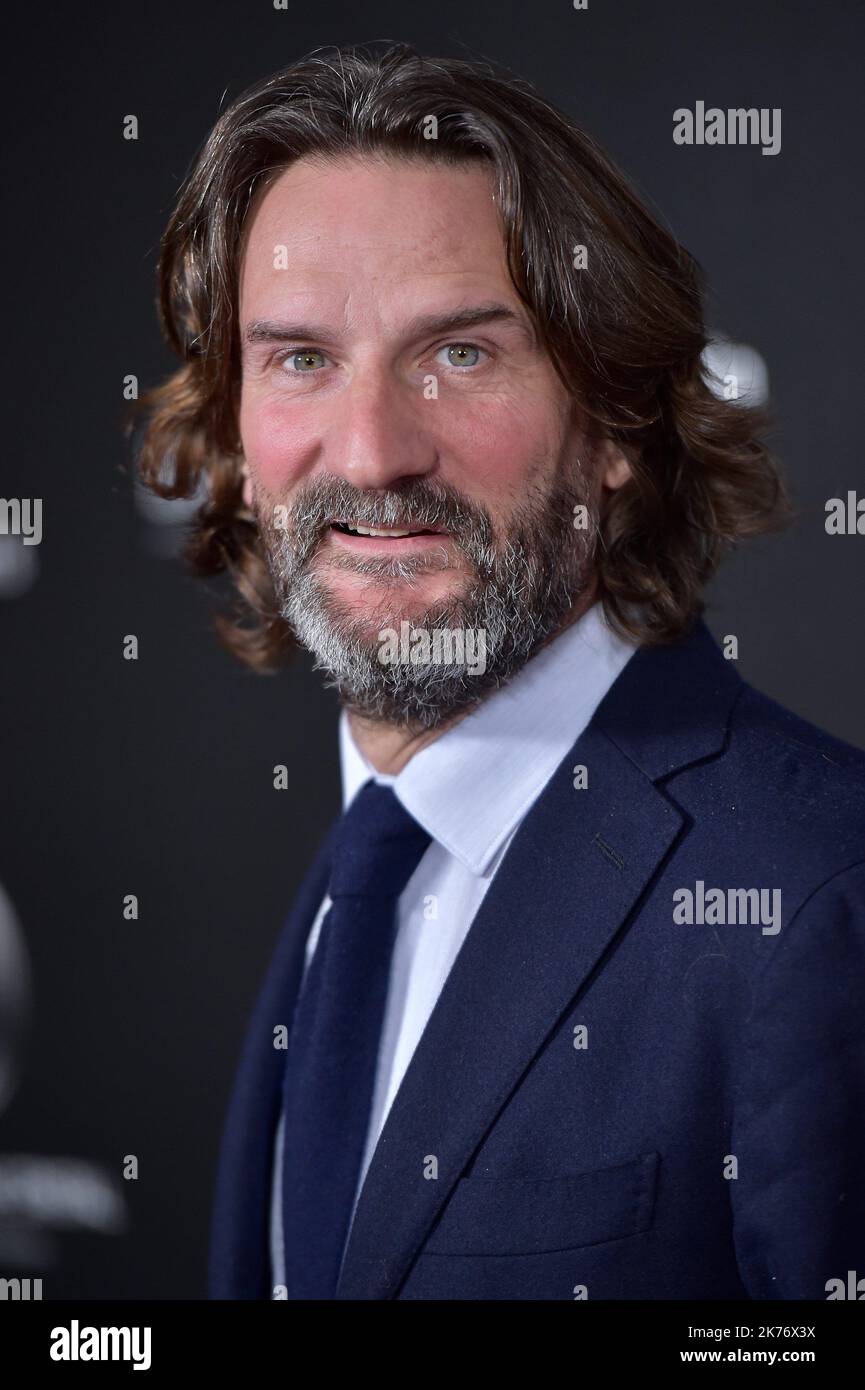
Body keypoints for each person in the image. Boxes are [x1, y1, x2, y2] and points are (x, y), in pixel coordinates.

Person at [133, 43, 865, 1300]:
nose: (371, 452)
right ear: (238, 439)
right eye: (301, 358)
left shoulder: (818, 898)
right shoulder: (359, 872)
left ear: (619, 421)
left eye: (459, 353)